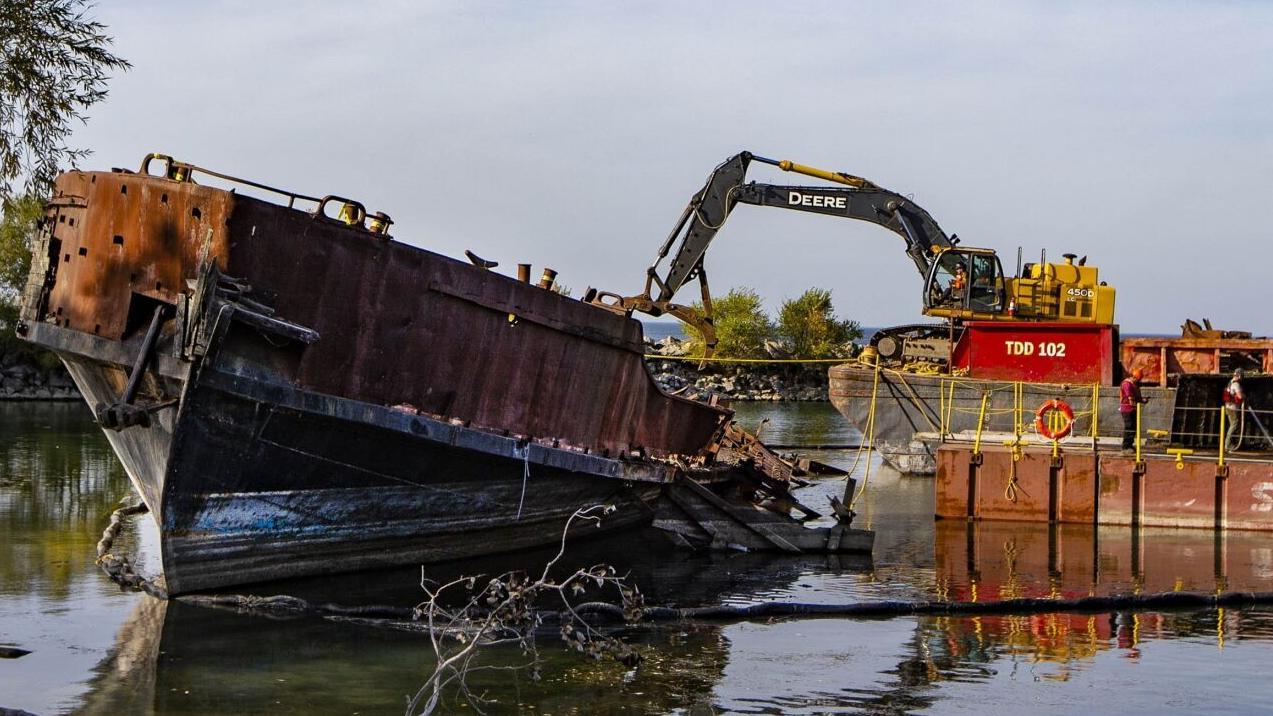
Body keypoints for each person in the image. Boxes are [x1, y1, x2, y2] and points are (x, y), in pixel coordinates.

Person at [1120, 368, 1148, 452]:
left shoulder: (1134, 384)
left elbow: (1136, 397)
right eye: (1138, 379)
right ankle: (1125, 447)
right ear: (1134, 377)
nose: (1139, 381)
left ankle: (1130, 445)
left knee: (1133, 428)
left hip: (1133, 409)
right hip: (1127, 409)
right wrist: (1134, 402)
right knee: (1129, 427)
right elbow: (1130, 396)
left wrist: (1142, 400)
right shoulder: (1127, 384)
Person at [1223, 369, 1245, 451]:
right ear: (1239, 376)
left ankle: (1228, 444)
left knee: (1232, 425)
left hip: (1228, 407)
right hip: (1233, 408)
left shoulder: (1230, 382)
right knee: (1234, 425)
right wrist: (1244, 396)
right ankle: (1227, 444)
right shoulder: (1236, 384)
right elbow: (1240, 396)